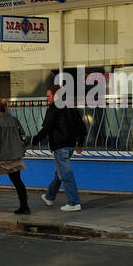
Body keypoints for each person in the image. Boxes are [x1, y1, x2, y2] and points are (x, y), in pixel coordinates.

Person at [32, 82, 88, 211]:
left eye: (49, 96)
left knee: (66, 175)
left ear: (56, 95)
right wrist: (79, 144)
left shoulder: (53, 109)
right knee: (59, 173)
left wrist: (34, 141)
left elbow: (46, 128)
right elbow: (82, 127)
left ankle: (74, 202)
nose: (47, 99)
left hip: (60, 146)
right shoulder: (70, 107)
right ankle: (49, 196)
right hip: (70, 146)